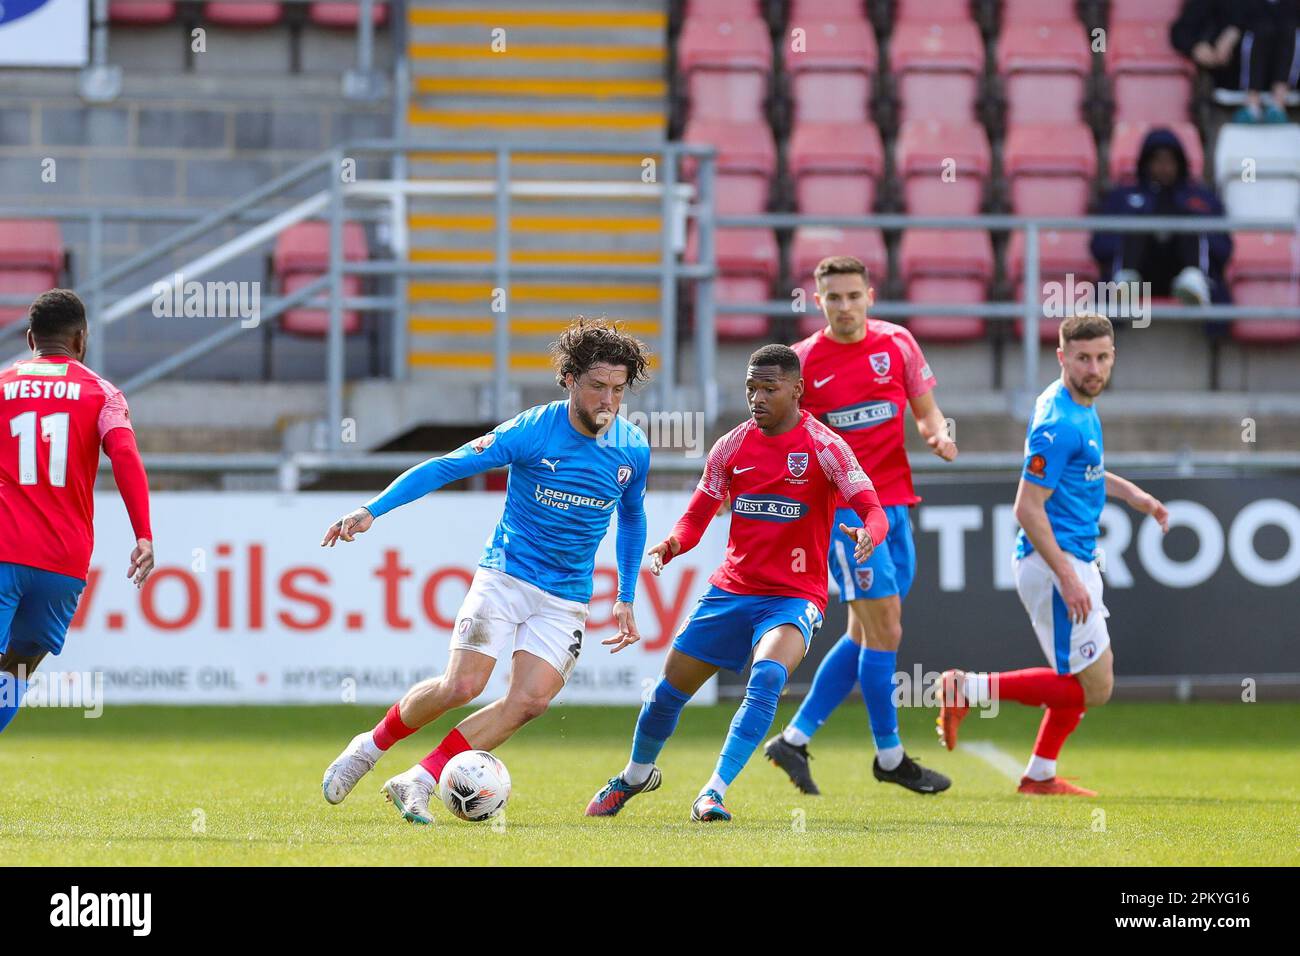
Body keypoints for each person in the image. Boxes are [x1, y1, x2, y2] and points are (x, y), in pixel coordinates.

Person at [319, 318, 651, 824]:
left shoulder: (631, 448)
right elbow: (446, 465)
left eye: (618, 390)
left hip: (566, 596)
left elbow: (631, 517)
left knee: (530, 701)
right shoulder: (532, 430)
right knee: (462, 686)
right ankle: (368, 748)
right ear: (569, 380)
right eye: (597, 386)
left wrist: (626, 593)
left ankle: (420, 778)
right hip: (506, 575)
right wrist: (372, 510)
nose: (607, 400)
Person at [584, 344, 888, 823]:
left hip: (793, 597)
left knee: (767, 676)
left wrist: (870, 533)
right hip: (731, 591)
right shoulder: (731, 446)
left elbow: (873, 508)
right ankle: (635, 775)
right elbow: (698, 515)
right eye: (751, 388)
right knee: (666, 694)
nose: (757, 398)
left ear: (797, 390)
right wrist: (671, 545)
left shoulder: (826, 448)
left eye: (769, 388)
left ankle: (713, 791)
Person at [937, 313, 1169, 796]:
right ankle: (968, 688)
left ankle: (1039, 774)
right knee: (1095, 686)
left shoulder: (1079, 404)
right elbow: (1026, 506)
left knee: (1079, 678)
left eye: (1103, 357)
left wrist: (1134, 496)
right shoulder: (1058, 421)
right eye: (1083, 358)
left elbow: (1082, 473)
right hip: (1054, 563)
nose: (1094, 367)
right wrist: (1067, 576)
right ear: (1062, 356)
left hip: (1071, 558)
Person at [763, 255, 956, 797]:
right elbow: (781, 442)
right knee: (887, 629)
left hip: (895, 505)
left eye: (854, 295)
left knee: (864, 632)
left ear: (870, 295)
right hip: (846, 515)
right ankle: (890, 755)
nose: (845, 306)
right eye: (834, 297)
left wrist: (938, 435)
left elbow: (926, 412)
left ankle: (794, 741)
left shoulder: (897, 344)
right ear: (817, 300)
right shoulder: (801, 363)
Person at [0, 289, 154, 733]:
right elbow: (125, 456)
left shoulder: (5, 386)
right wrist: (143, 534)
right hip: (62, 563)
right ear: (81, 339)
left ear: (31, 339)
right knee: (16, 673)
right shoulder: (102, 393)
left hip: (5, 550)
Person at [1091, 127, 1232, 307]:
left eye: (1170, 160)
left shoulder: (1201, 199)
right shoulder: (1122, 197)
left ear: (1180, 162)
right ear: (1146, 162)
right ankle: (1125, 283)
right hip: (1139, 271)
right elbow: (1099, 245)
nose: (1164, 167)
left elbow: (1224, 247)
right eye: (1157, 160)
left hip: (1183, 270)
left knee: (1190, 221)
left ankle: (1195, 281)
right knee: (1136, 222)